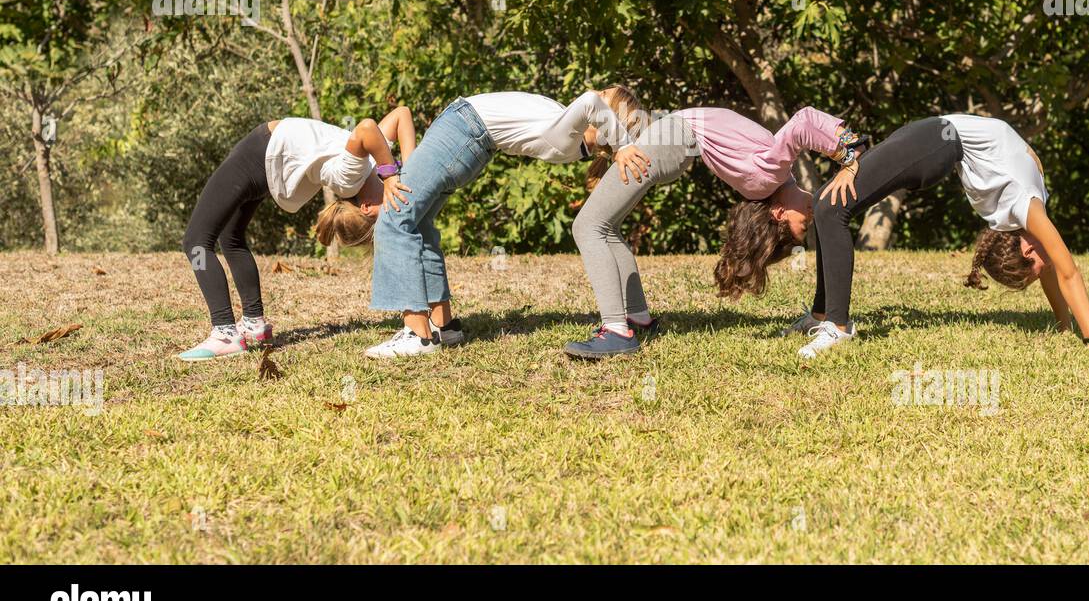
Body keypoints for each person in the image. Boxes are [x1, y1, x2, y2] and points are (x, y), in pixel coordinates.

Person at [357, 87, 648, 359]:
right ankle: (443, 326)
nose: (597, 91)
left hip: (462, 130)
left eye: (605, 95)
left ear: (608, 122)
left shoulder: (567, 135)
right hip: (470, 137)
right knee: (419, 224)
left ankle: (417, 335)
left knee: (394, 217)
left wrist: (622, 146)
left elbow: (589, 101)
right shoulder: (566, 130)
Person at [790, 114, 1089, 359]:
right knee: (825, 205)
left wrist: (1064, 327)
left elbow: (1051, 269)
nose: (1046, 259)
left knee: (829, 207)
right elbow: (1068, 272)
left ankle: (829, 319)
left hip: (935, 137)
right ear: (1025, 250)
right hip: (935, 140)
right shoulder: (1028, 205)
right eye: (1039, 261)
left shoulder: (1025, 215)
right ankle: (832, 322)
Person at [565, 105, 860, 358]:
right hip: (673, 140)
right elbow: (804, 123)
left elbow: (805, 121)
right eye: (806, 224)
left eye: (803, 224)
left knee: (589, 226)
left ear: (779, 213)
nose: (810, 216)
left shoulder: (770, 176)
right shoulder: (774, 176)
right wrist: (850, 155)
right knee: (606, 226)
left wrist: (851, 153)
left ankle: (617, 331)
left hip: (672, 140)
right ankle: (636, 317)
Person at [178, 107, 415, 360]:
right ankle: (253, 322)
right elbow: (401, 115)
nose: (395, 196)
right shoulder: (370, 164)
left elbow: (367, 127)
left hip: (258, 154)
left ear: (366, 208)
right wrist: (410, 174)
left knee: (196, 243)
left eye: (389, 208)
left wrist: (390, 176)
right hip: (268, 159)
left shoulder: (351, 177)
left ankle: (224, 332)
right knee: (231, 237)